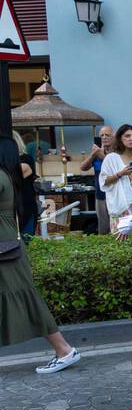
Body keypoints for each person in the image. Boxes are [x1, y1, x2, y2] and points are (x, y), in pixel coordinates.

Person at [0, 137, 81, 373]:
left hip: (4, 248)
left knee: (27, 298)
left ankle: (64, 350)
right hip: (7, 244)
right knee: (26, 297)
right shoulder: (8, 175)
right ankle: (64, 349)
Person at [79, 124, 114, 234]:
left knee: (116, 228)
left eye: (107, 135)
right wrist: (93, 154)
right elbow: (83, 167)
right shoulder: (97, 153)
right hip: (100, 195)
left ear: (113, 137)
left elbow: (115, 168)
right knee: (103, 228)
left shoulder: (117, 153)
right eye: (101, 135)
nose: (104, 137)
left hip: (114, 195)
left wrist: (102, 155)